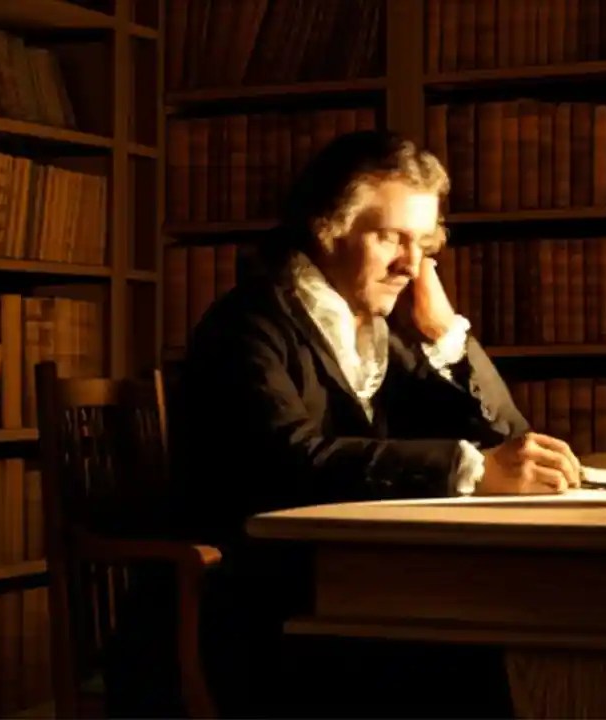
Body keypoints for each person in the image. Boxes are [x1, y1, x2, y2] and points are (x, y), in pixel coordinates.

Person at [164, 130, 582, 717]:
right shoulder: (247, 326)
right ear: (327, 228)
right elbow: (295, 460)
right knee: (483, 660)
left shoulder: (380, 332)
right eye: (390, 237)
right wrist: (470, 470)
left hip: (352, 590)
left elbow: (505, 437)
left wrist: (445, 335)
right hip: (265, 614)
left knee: (505, 645)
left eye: (423, 243)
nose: (411, 265)